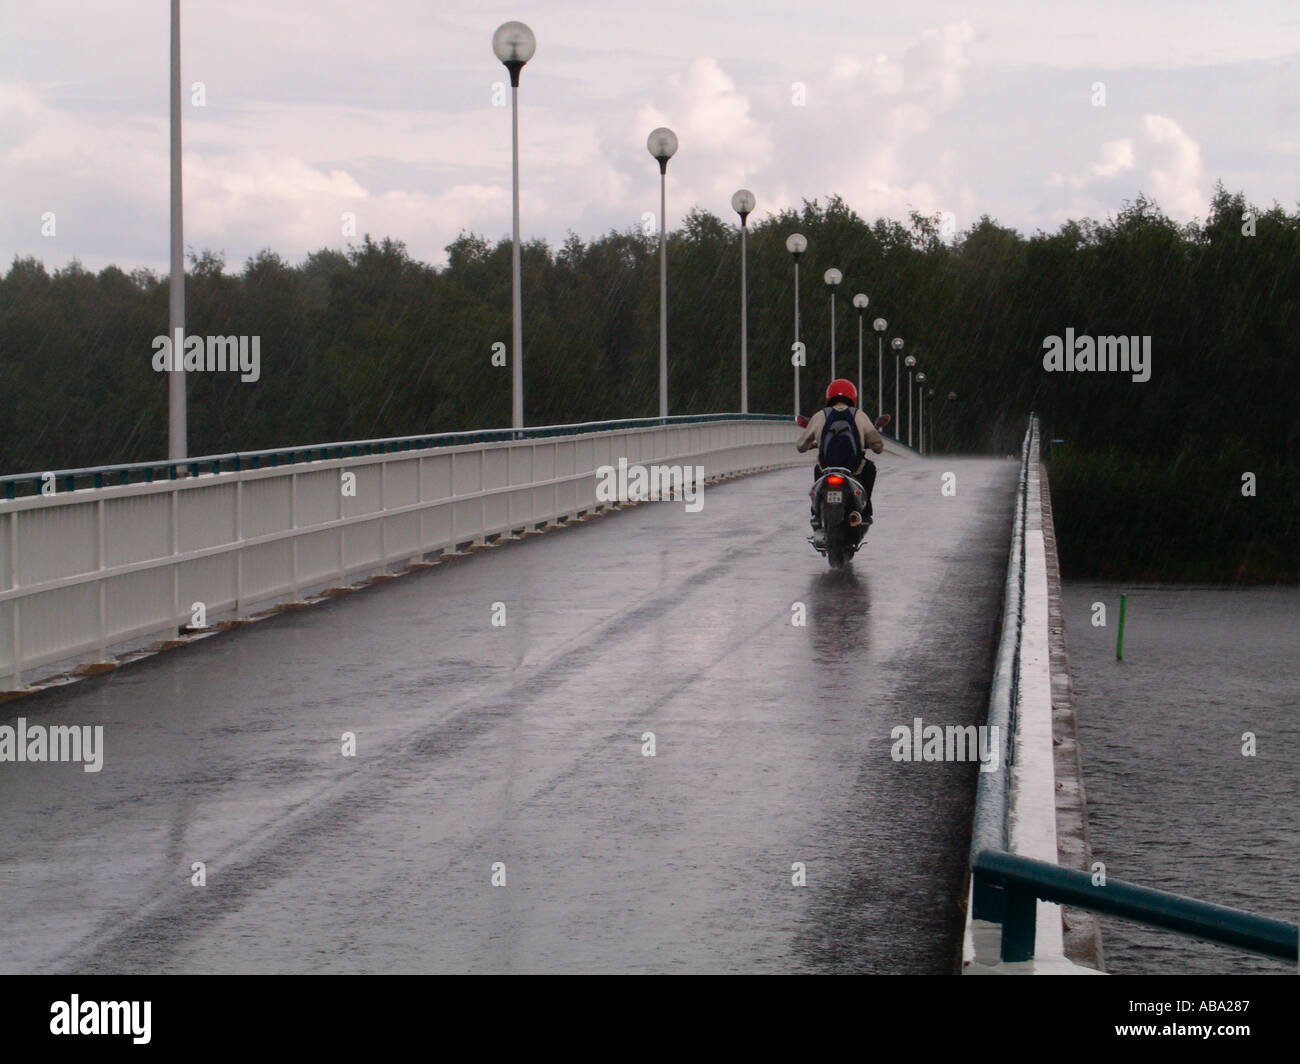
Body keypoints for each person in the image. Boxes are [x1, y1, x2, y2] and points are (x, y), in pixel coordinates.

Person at [795, 379, 884, 533]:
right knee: (869, 468)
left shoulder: (820, 416)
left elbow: (800, 446)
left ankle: (816, 514)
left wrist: (813, 444)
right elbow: (878, 446)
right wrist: (867, 444)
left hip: (827, 468)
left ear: (828, 397)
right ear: (853, 397)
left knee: (818, 470)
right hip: (853, 468)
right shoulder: (859, 415)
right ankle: (865, 511)